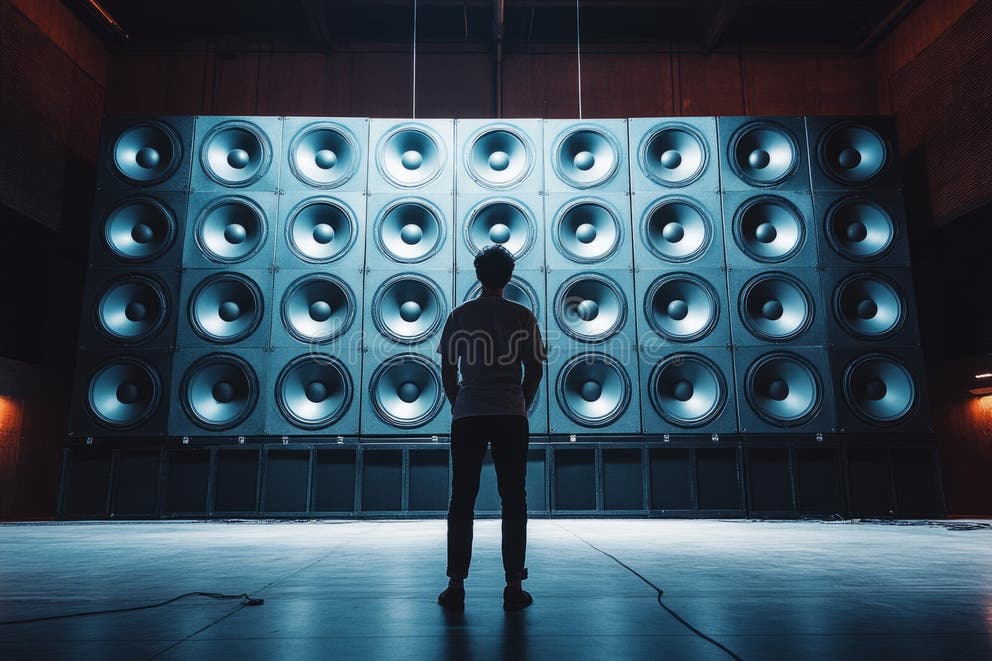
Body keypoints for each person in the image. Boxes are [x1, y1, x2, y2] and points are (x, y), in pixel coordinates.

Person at [436, 245, 546, 612]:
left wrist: (458, 402)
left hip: (468, 414)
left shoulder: (459, 315)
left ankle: (455, 585)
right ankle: (513, 586)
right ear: (509, 276)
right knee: (513, 498)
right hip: (510, 415)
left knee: (461, 499)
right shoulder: (522, 315)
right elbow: (535, 368)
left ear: (478, 274)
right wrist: (522, 402)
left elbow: (448, 369)